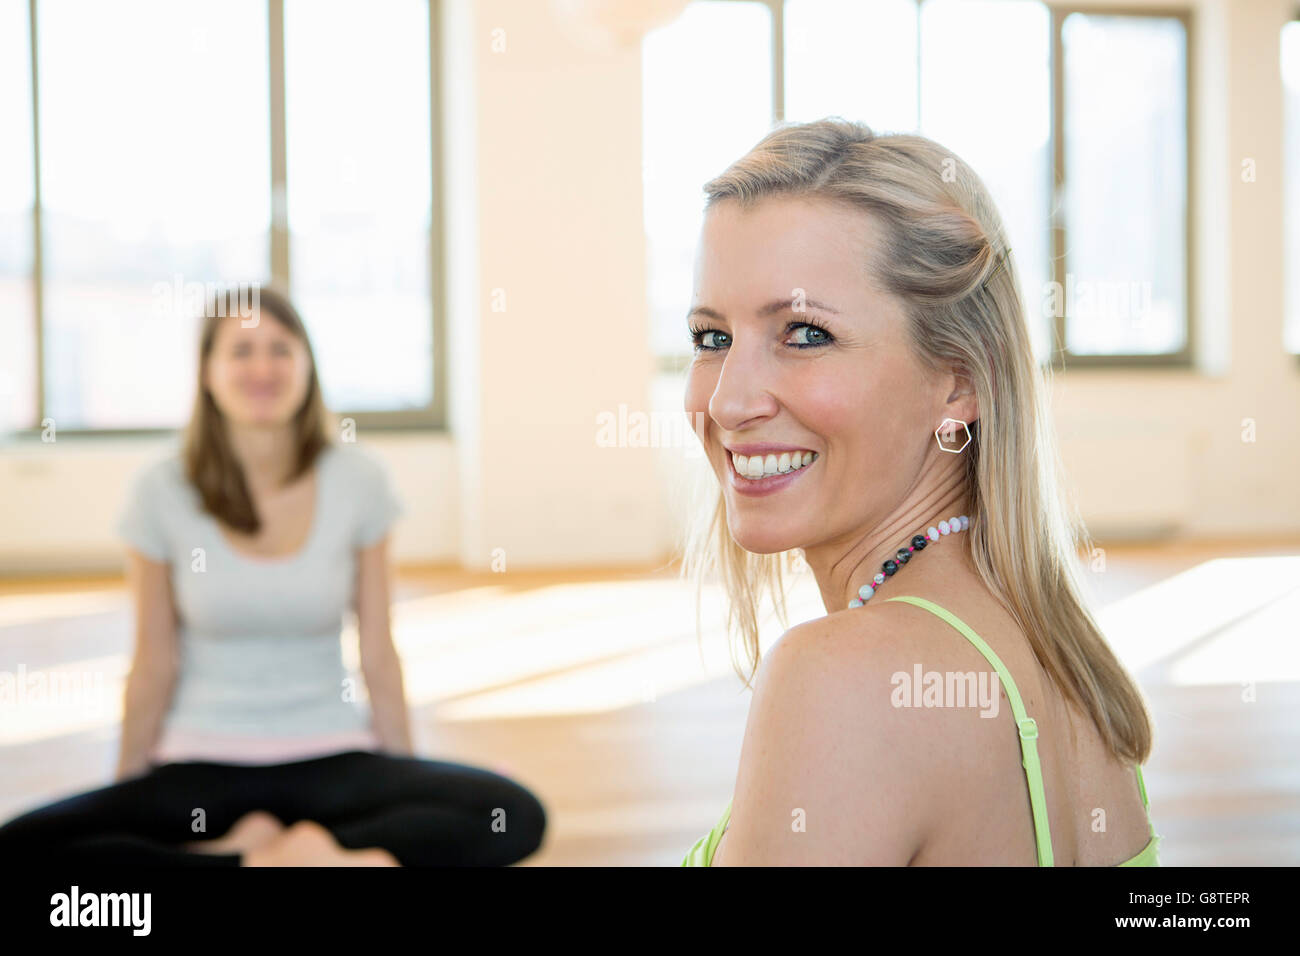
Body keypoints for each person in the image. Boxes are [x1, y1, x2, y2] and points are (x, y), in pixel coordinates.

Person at [678, 118, 1160, 866]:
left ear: (958, 381)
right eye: (712, 338)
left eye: (804, 334)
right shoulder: (1067, 664)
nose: (729, 402)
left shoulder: (842, 682)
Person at [0, 285, 545, 866]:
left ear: (307, 367)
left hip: (331, 757)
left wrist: (405, 774)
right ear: (207, 373)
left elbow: (379, 652)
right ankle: (290, 860)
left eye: (280, 349)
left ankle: (295, 853)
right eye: (241, 350)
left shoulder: (359, 481)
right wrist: (129, 795)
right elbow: (153, 661)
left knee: (514, 812)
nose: (263, 367)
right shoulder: (160, 491)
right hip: (199, 764)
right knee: (21, 848)